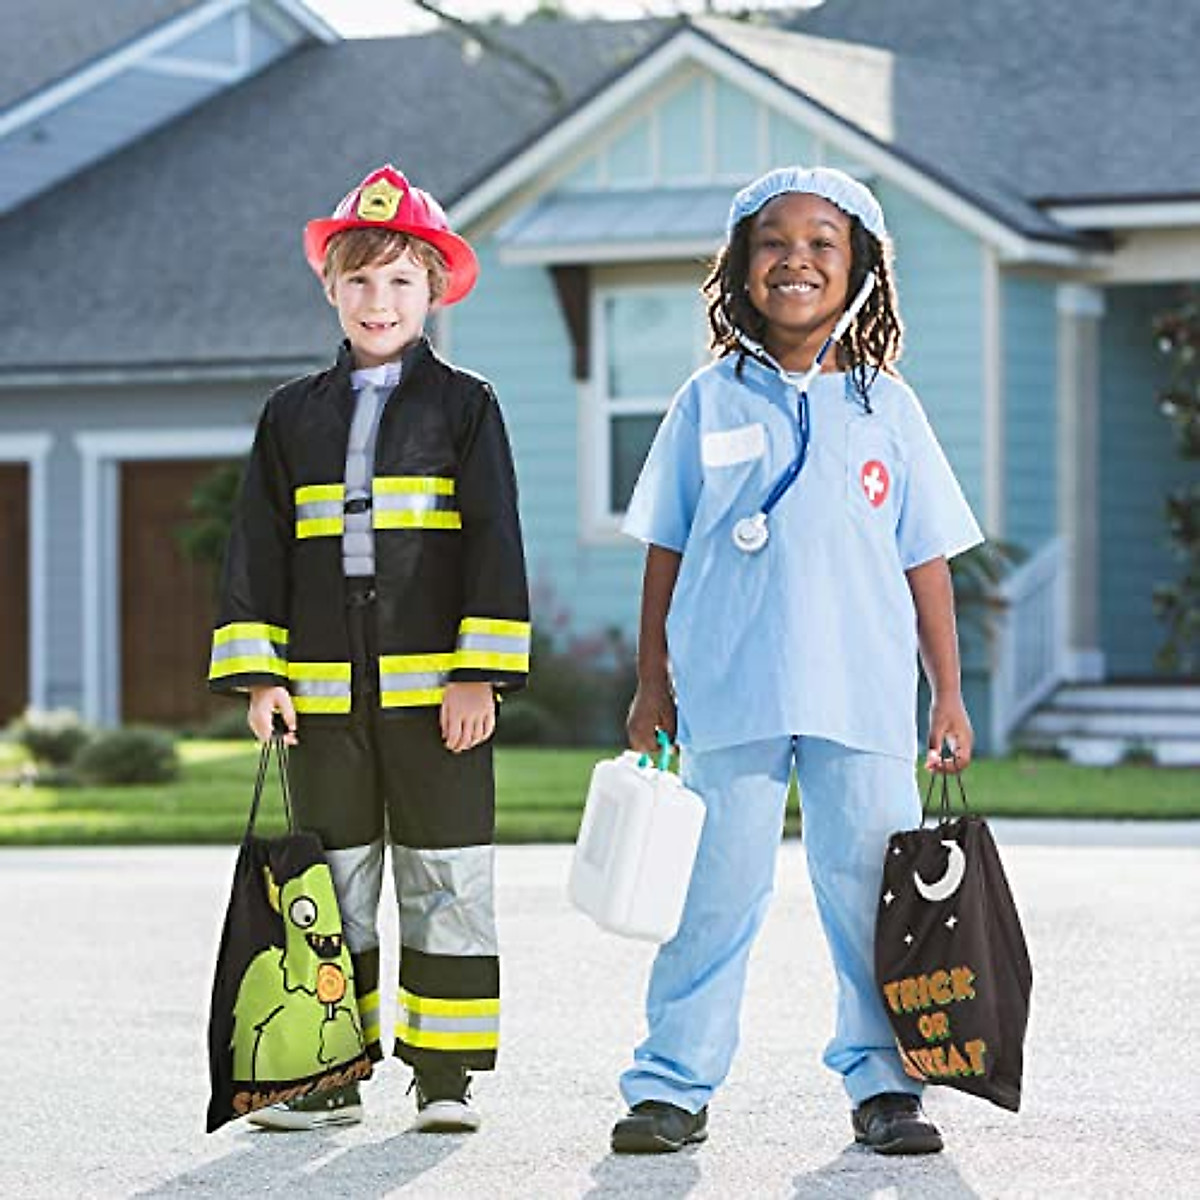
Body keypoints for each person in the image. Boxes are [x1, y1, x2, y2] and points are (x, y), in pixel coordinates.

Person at [610, 166, 982, 1157]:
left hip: (861, 694)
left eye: (824, 242)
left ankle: (887, 1084)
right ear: (741, 266)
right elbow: (666, 546)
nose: (797, 260)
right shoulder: (706, 398)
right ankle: (671, 1087)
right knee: (714, 894)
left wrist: (947, 692)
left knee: (871, 897)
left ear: (860, 266)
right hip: (731, 690)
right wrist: (654, 678)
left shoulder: (888, 407)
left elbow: (926, 557)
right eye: (774, 241)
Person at [208, 164, 530, 1133]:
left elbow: (495, 541)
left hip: (440, 702)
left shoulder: (466, 407)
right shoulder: (290, 415)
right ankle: (331, 1072)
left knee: (446, 878)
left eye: (400, 281)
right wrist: (260, 676)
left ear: (434, 292)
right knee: (334, 884)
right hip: (322, 702)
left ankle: (445, 1077)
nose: (378, 301)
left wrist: (479, 670)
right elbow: (255, 552)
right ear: (331, 290)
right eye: (359, 280)